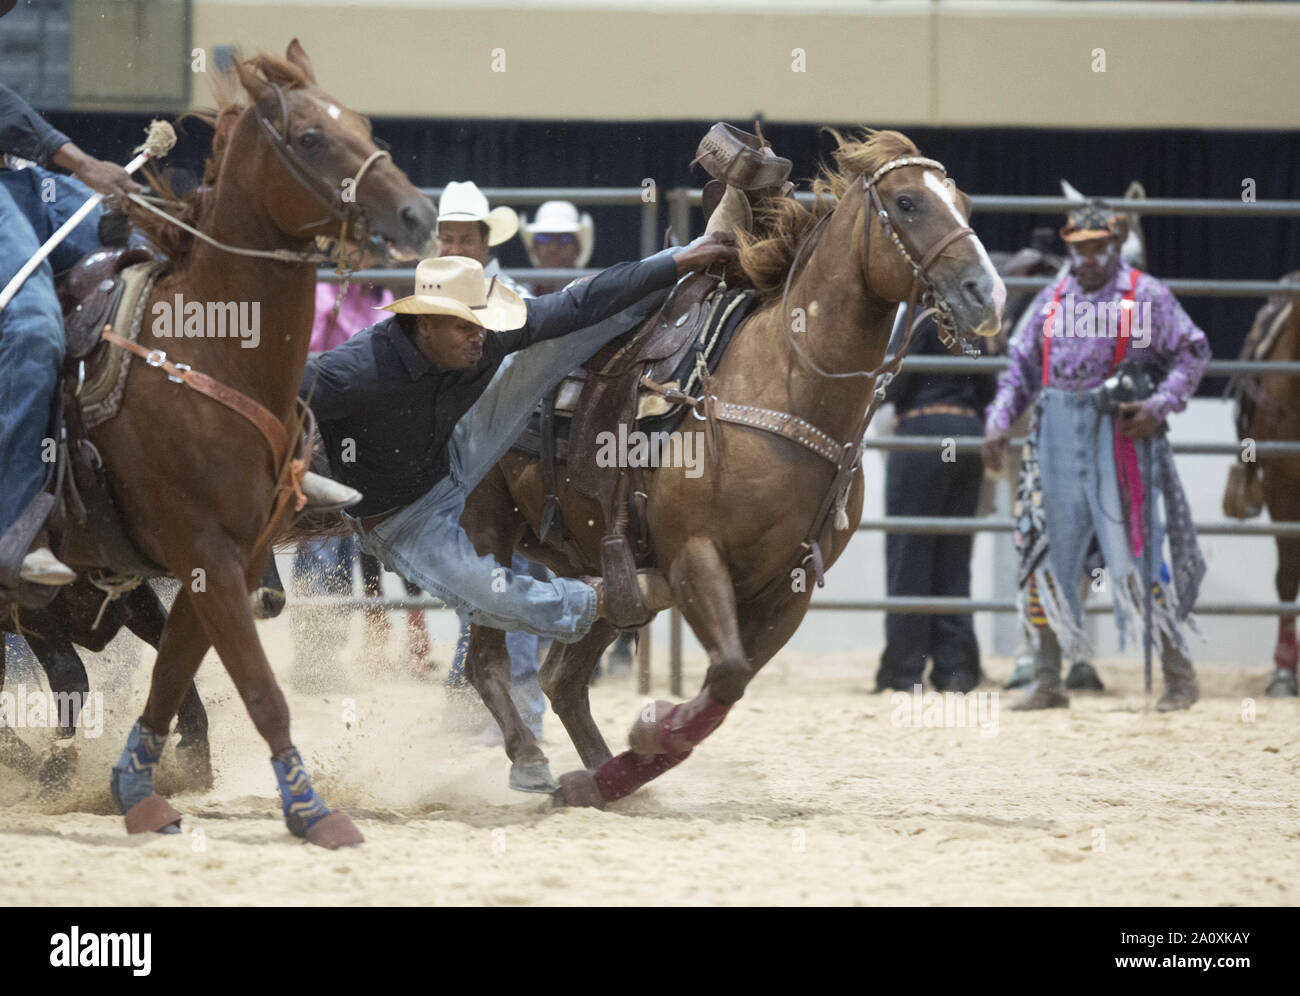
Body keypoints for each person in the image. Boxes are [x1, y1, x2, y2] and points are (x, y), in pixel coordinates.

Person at [301, 236, 735, 653]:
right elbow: (277, 395)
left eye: (481, 323)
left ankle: (694, 255)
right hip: (403, 520)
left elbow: (575, 304)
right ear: (425, 325)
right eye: (463, 326)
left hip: (456, 452)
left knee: (561, 337)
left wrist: (678, 261)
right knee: (490, 596)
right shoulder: (354, 373)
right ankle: (604, 599)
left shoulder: (485, 335)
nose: (479, 336)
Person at [983, 200, 1210, 712]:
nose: (1088, 257)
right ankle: (1047, 677)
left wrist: (1158, 405)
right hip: (1055, 429)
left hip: (1117, 431)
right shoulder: (1052, 299)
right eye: (1080, 247)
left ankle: (1178, 674)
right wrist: (1000, 419)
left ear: (1116, 243)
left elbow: (1192, 351)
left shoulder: (1142, 296)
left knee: (1136, 554)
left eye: (1098, 246)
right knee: (1046, 553)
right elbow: (1019, 367)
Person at [0, 79, 138, 586]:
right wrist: (83, 164)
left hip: (25, 182)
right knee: (33, 327)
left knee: (153, 254)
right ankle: (14, 528)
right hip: (23, 186)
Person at [876, 316, 996, 694]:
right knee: (954, 555)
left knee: (909, 553)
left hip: (922, 435)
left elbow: (892, 384)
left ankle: (904, 669)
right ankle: (956, 669)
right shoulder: (974, 322)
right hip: (968, 437)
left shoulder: (918, 316)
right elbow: (990, 388)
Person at [435, 180, 530, 297]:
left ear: (485, 242)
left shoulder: (515, 301)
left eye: (467, 240)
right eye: (447, 240)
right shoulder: (431, 293)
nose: (456, 250)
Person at [520, 200, 594, 295]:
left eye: (564, 238)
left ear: (578, 248)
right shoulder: (515, 295)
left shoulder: (592, 292)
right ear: (534, 247)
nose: (553, 248)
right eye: (543, 237)